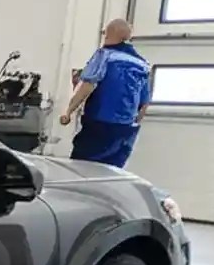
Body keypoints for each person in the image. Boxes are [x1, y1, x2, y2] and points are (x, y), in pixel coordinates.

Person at [59, 19, 151, 168]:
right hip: (125, 132)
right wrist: (131, 127)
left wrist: (68, 111)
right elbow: (144, 104)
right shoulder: (143, 64)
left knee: (82, 170)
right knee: (110, 174)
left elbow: (87, 85)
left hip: (99, 125)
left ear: (109, 35)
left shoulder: (105, 55)